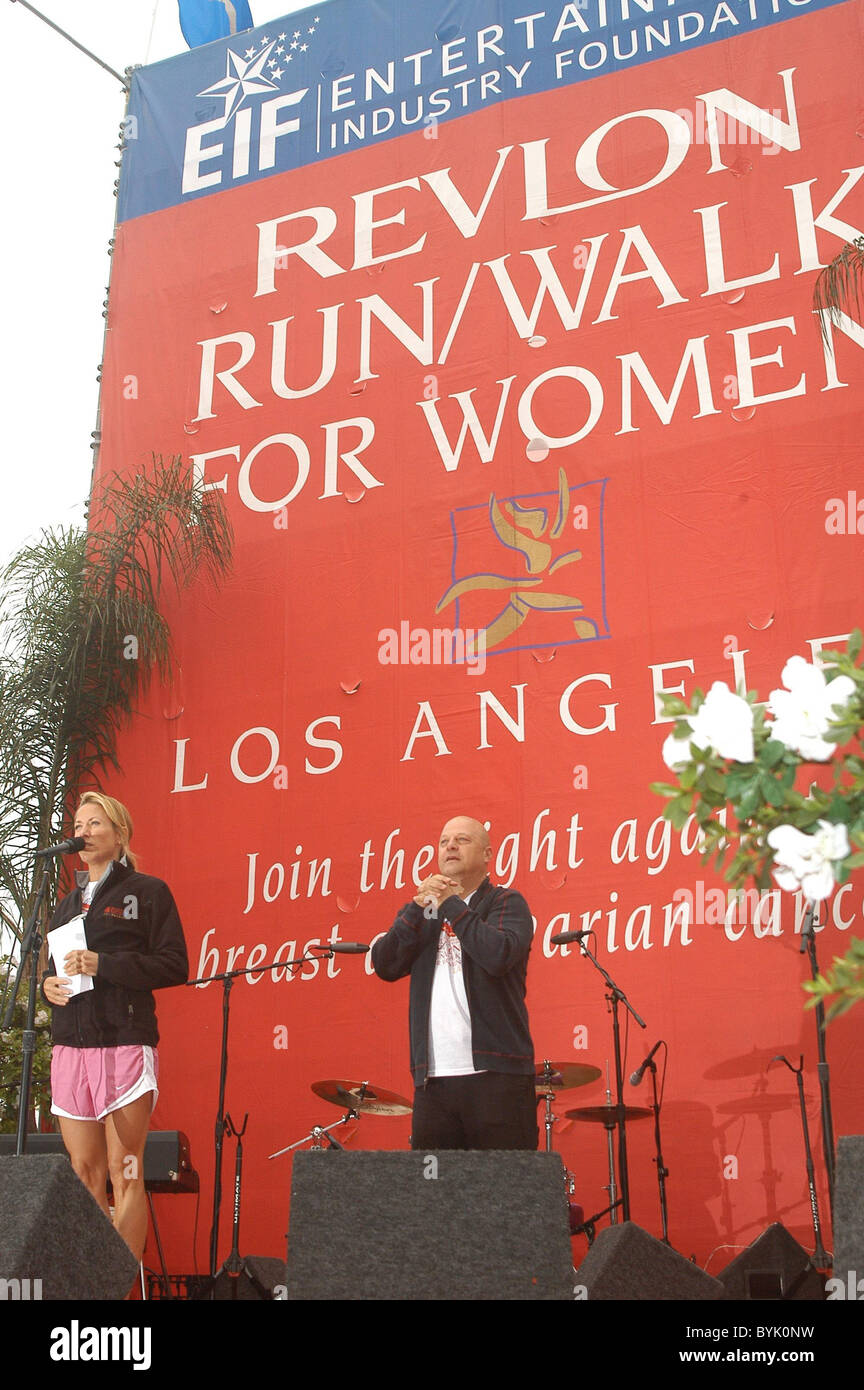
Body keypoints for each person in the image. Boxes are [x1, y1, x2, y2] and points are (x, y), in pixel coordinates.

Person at [41, 793, 188, 1263]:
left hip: (122, 1041)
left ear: (120, 833)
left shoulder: (147, 892)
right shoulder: (66, 904)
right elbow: (51, 969)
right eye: (78, 824)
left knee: (126, 1172)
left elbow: (173, 964)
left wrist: (103, 963)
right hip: (71, 1044)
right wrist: (48, 986)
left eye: (94, 823)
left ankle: (120, 1289)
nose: (82, 832)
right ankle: (88, 1283)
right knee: (85, 1171)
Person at [372, 815, 537, 1151]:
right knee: (436, 1196)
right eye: (444, 841)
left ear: (488, 854)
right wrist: (416, 909)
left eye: (462, 840)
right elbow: (385, 964)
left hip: (498, 1077)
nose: (450, 846)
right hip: (433, 1083)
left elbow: (498, 954)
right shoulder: (425, 913)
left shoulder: (506, 902)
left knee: (504, 1193)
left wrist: (450, 903)